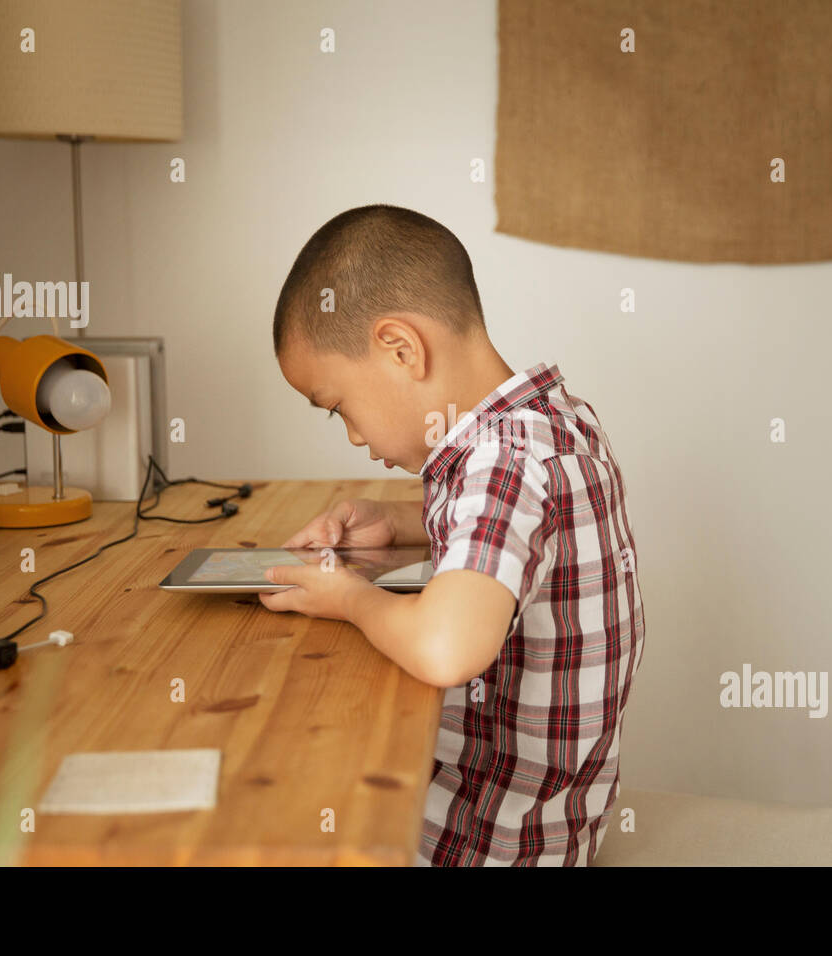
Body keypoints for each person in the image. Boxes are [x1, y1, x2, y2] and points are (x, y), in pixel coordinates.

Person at [263, 203, 645, 866]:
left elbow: (445, 650)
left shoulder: (502, 463)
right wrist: (402, 521)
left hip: (485, 843)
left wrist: (346, 596)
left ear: (401, 349)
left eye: (339, 407)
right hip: (553, 823)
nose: (354, 435)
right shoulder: (551, 422)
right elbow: (535, 528)